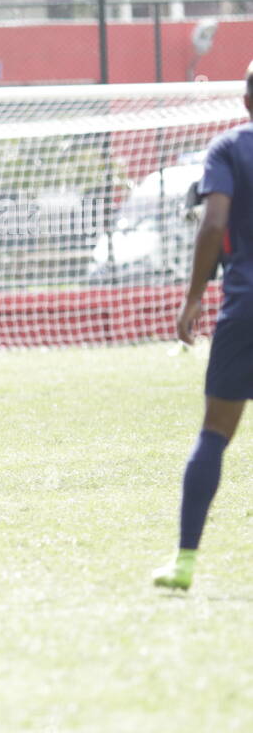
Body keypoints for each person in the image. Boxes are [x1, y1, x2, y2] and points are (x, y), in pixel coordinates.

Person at [154, 65, 253, 589]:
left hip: (245, 307)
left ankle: (185, 563)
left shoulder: (229, 149)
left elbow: (213, 224)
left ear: (246, 99)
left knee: (216, 432)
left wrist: (193, 298)